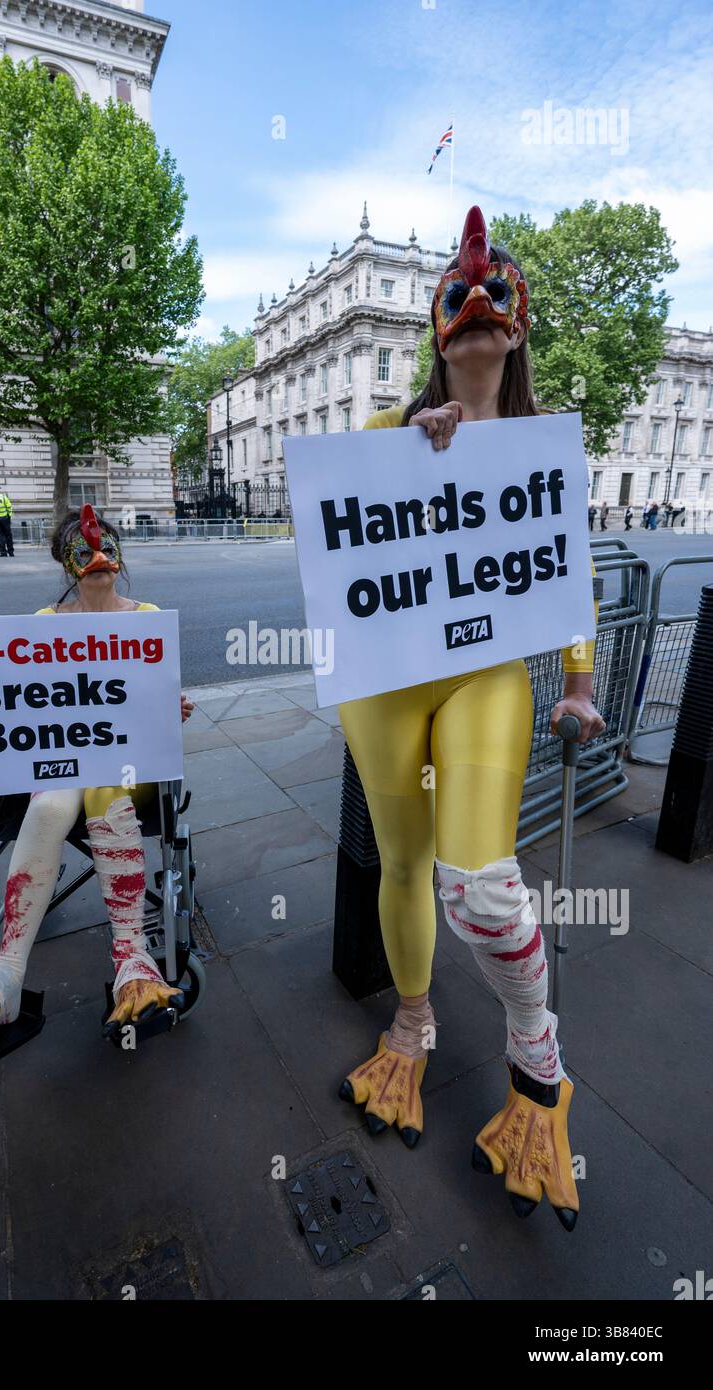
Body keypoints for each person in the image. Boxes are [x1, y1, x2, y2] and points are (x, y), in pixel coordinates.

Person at [337, 207, 605, 1230]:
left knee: (477, 880)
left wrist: (576, 681)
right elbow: (341, 510)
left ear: (517, 326)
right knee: (400, 860)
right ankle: (411, 1024)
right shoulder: (383, 432)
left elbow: (565, 566)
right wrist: (407, 453)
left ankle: (537, 1067)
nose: (478, 305)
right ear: (436, 329)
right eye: (457, 297)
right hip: (385, 681)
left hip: (487, 674)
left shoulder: (544, 455)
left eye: (495, 295)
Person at [0, 505, 195, 1062]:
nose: (98, 559)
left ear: (121, 556)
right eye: (84, 552)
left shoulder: (147, 618)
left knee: (101, 788)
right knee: (56, 795)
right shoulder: (42, 625)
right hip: (60, 772)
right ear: (68, 563)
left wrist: (171, 706)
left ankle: (132, 955)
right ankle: (3, 979)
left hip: (131, 779)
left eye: (107, 547)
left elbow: (159, 701)